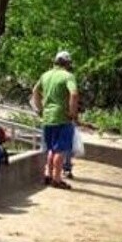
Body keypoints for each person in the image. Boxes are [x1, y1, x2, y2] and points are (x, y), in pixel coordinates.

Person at [32, 50, 79, 189]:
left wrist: (40, 109)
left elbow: (35, 91)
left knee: (51, 148)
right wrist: (72, 113)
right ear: (68, 63)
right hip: (62, 118)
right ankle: (57, 180)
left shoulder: (45, 75)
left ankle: (48, 174)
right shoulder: (68, 76)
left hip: (47, 117)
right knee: (60, 150)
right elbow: (74, 94)